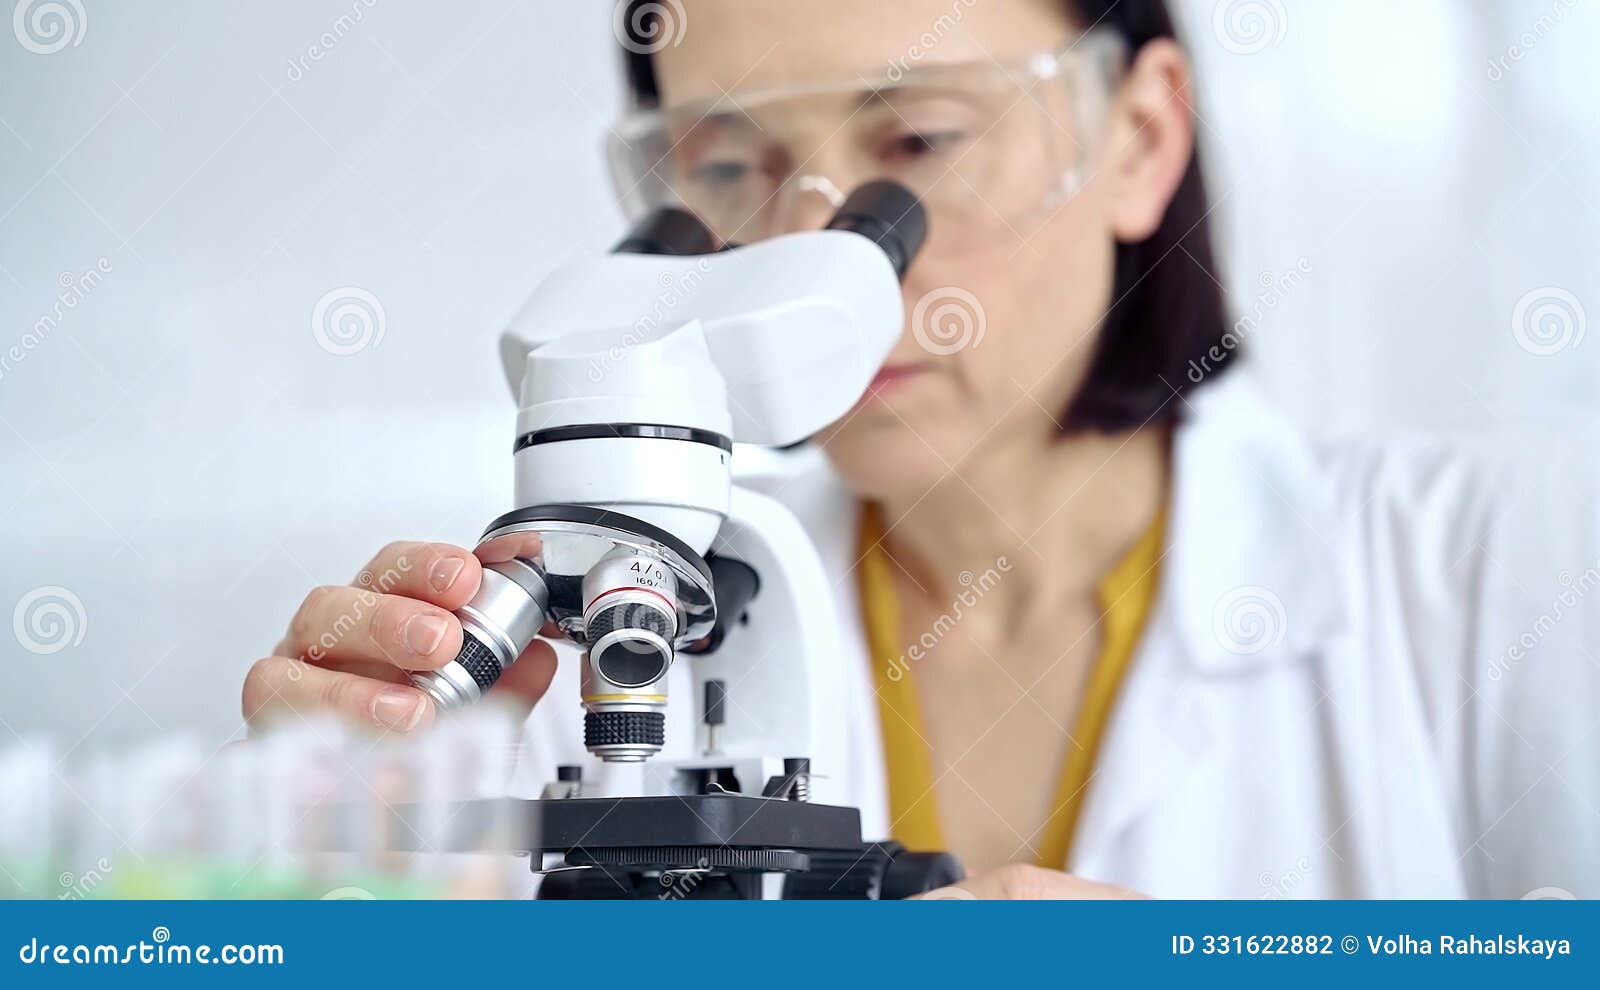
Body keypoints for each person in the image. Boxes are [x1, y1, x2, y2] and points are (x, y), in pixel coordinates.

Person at [240, 0, 1600, 899]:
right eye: (727, 167)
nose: (807, 250)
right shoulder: (613, 645)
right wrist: (338, 859)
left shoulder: (1511, 572)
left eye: (916, 145)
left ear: (1138, 137)